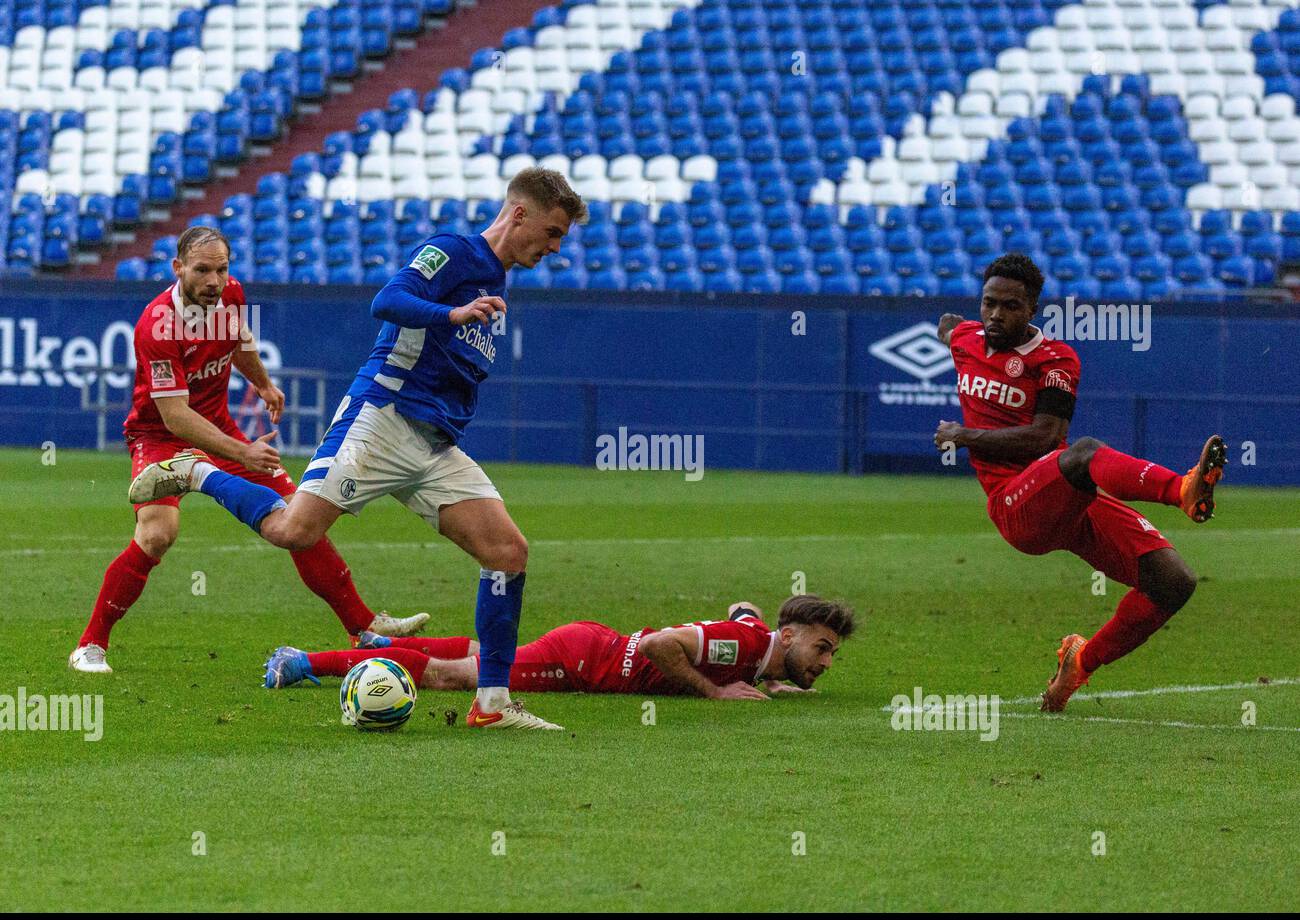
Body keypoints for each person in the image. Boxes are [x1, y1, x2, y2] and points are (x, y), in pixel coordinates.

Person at [128, 169, 589, 729]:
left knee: (508, 554)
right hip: (383, 420)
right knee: (294, 532)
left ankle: (492, 706)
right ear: (519, 214)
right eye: (553, 230)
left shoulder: (496, 279)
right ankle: (195, 473)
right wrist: (452, 314)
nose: (556, 246)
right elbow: (387, 299)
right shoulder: (453, 253)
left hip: (435, 444)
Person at [69, 226, 426, 674]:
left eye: (221, 269)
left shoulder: (232, 294)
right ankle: (90, 645)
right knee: (158, 534)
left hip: (218, 427)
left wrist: (262, 383)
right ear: (178, 268)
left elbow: (238, 342)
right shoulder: (154, 325)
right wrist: (241, 454)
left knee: (300, 515)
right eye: (202, 270)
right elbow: (175, 415)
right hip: (159, 435)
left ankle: (363, 627)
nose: (214, 281)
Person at [932, 253, 1225, 712]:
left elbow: (1046, 435)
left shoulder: (1055, 359)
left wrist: (962, 434)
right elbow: (950, 326)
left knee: (1173, 583)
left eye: (1010, 306)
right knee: (1083, 456)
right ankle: (1178, 490)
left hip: (1065, 494)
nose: (995, 314)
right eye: (988, 303)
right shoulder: (967, 337)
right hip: (1016, 507)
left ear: (1032, 310)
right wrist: (949, 326)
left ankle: (1080, 663)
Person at [262, 596, 857, 706]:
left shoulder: (756, 643)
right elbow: (656, 645)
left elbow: (741, 607)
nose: (825, 662)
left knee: (482, 649)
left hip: (588, 642)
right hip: (584, 662)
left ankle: (382, 645)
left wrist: (775, 675)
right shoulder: (745, 648)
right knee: (453, 676)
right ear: (787, 635)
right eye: (822, 648)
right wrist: (712, 688)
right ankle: (301, 663)